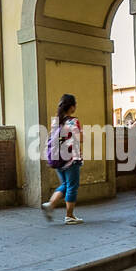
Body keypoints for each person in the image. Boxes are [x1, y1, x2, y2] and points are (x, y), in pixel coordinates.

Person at [37, 94, 83, 225]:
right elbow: (80, 138)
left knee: (65, 185)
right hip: (71, 158)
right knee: (72, 186)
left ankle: (50, 205)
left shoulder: (55, 121)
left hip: (57, 158)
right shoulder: (73, 121)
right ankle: (69, 216)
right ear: (72, 107)